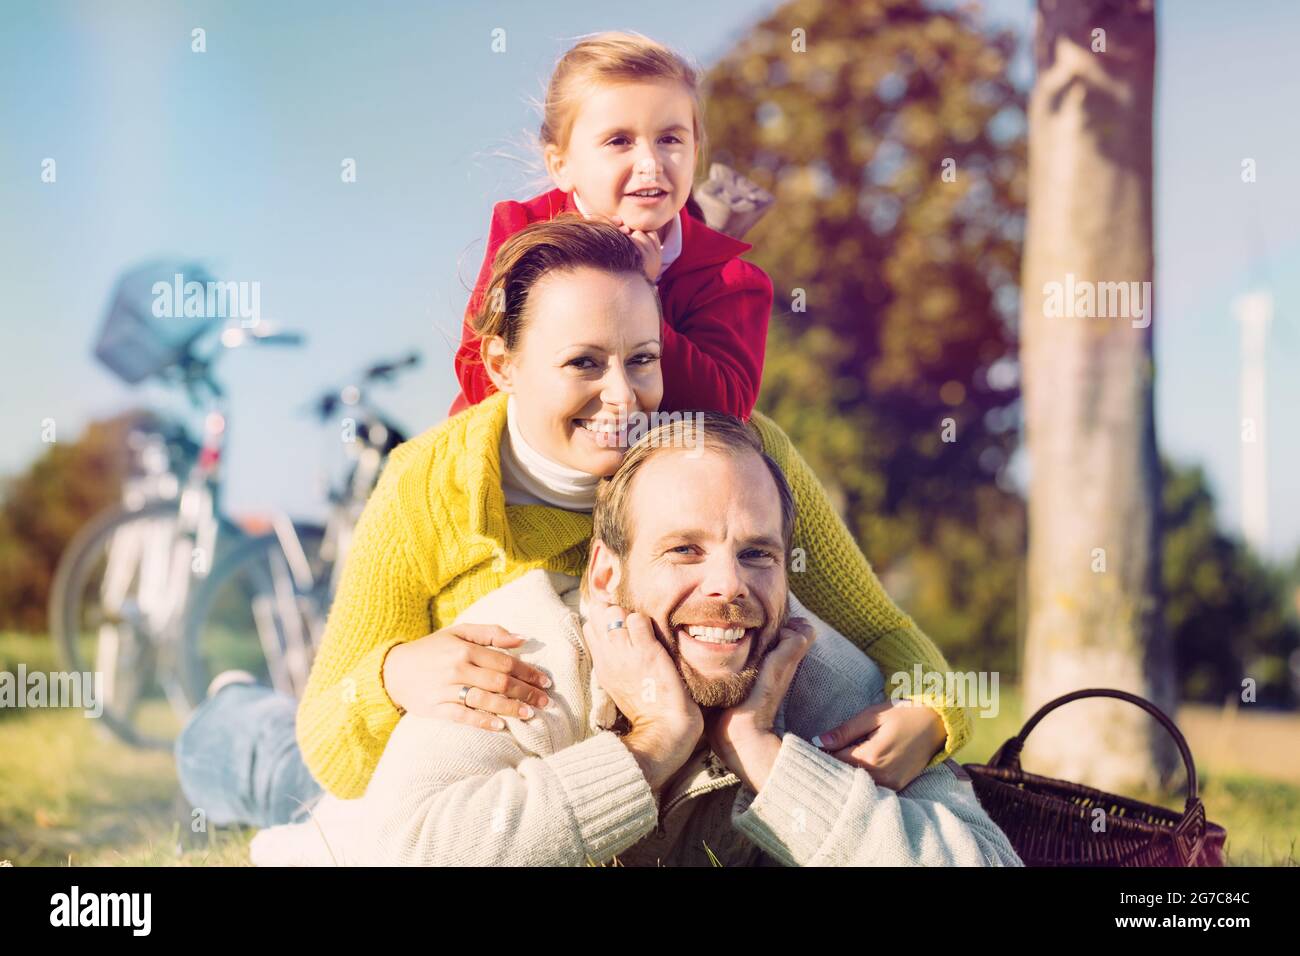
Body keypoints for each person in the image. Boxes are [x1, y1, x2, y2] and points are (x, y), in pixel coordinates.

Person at [175, 218, 969, 829]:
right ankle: (229, 709)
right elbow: (334, 749)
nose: (623, 399)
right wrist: (391, 677)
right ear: (503, 364)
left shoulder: (733, 459)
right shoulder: (428, 485)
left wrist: (934, 715)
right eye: (583, 363)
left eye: (643, 359)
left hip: (616, 796)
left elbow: (887, 635)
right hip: (450, 786)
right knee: (275, 768)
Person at [247, 413, 1020, 867]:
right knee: (261, 761)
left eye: (757, 553)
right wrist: (650, 747)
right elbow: (400, 854)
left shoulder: (816, 676)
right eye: (684, 550)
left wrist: (767, 758)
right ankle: (235, 709)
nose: (729, 588)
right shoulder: (523, 657)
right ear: (607, 577)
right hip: (331, 813)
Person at [449, 30, 772, 419]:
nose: (650, 163)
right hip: (525, 461)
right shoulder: (523, 232)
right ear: (561, 165)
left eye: (670, 139)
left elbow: (724, 408)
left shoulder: (730, 279)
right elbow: (478, 373)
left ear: (695, 153)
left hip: (651, 463)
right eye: (619, 141)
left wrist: (643, 296)